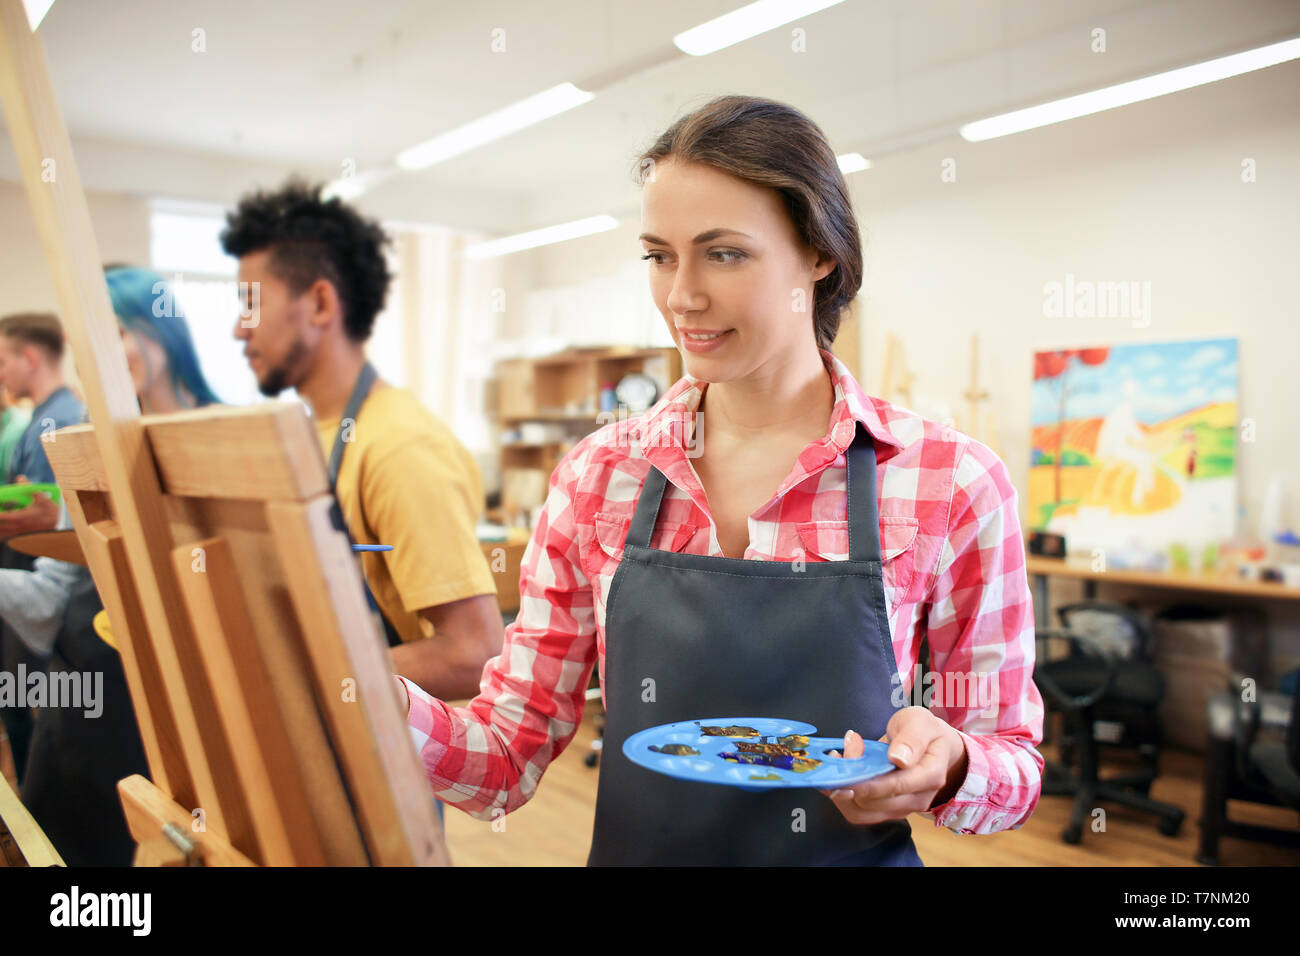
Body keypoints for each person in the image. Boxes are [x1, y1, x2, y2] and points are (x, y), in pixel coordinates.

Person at [396, 95, 1044, 866]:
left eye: (724, 253)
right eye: (659, 255)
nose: (682, 296)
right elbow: (504, 756)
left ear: (820, 254)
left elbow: (1012, 762)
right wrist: (359, 688)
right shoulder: (598, 477)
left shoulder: (950, 482)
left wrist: (954, 764)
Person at [221, 178, 501, 702]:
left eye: (251, 303)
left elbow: (473, 653)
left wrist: (296, 678)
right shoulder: (311, 435)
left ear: (321, 304)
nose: (239, 329)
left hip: (387, 759)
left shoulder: (397, 445)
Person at [3, 266, 223, 865]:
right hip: (91, 683)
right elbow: (81, 566)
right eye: (85, 340)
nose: (97, 356)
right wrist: (52, 526)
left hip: (180, 700)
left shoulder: (223, 439)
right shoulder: (90, 443)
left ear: (160, 331)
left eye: (114, 332)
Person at [0, 311, 87, 784]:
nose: (0, 373)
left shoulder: (64, 422)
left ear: (29, 357)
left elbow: (63, 520)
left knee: (31, 708)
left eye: (2, 360)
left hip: (53, 591)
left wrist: (45, 515)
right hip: (37, 584)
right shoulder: (43, 419)